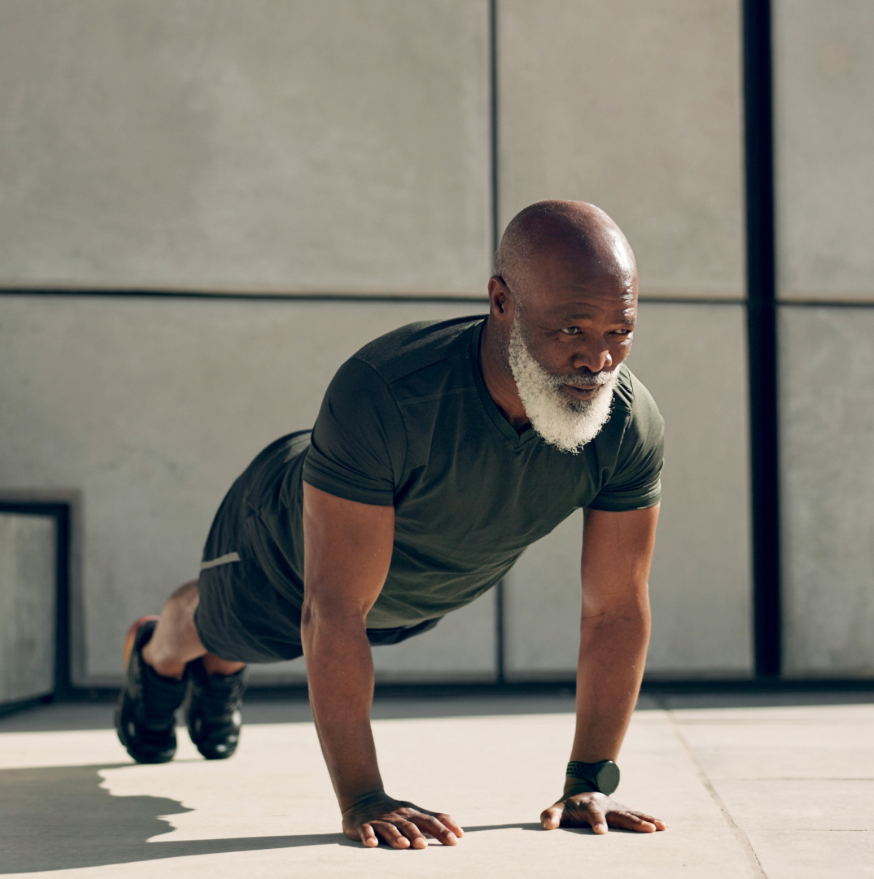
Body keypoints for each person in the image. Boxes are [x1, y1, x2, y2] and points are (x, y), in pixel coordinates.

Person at [115, 200, 668, 848]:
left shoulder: (626, 423)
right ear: (502, 302)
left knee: (263, 639)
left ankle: (223, 666)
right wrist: (364, 796)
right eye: (571, 329)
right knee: (220, 627)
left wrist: (590, 778)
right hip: (279, 549)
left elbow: (614, 610)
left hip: (401, 598)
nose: (598, 360)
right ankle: (156, 651)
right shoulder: (387, 390)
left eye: (619, 331)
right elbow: (332, 609)